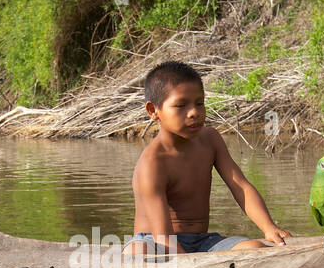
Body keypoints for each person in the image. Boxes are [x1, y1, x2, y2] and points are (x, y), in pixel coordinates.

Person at [123, 60, 291, 257]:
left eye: (199, 103)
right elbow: (164, 238)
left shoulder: (210, 140)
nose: (194, 112)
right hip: (155, 241)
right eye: (181, 105)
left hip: (203, 241)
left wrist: (269, 227)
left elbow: (241, 187)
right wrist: (191, 266)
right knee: (139, 252)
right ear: (153, 111)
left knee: (256, 249)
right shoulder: (153, 162)